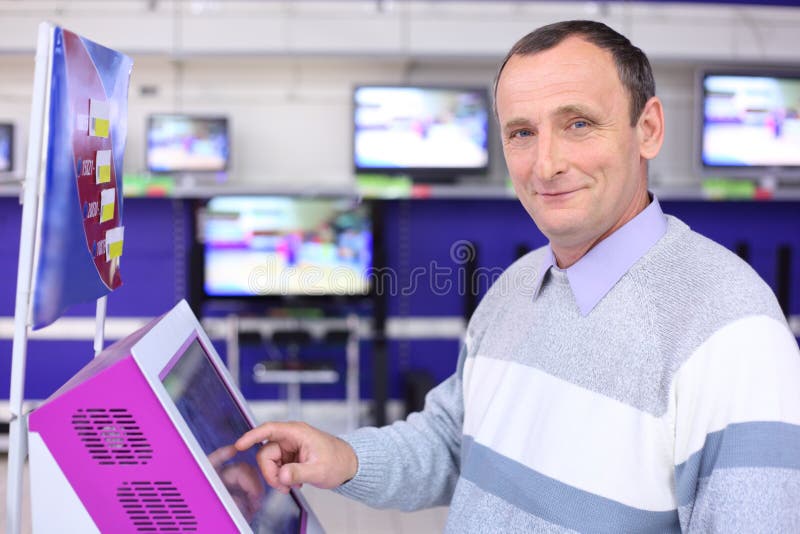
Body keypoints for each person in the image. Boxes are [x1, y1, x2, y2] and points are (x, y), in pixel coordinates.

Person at [236, 20, 800, 532]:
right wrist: (342, 457)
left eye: (578, 124)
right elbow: (454, 444)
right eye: (522, 132)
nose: (545, 163)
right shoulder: (515, 287)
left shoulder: (734, 335)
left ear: (648, 128)